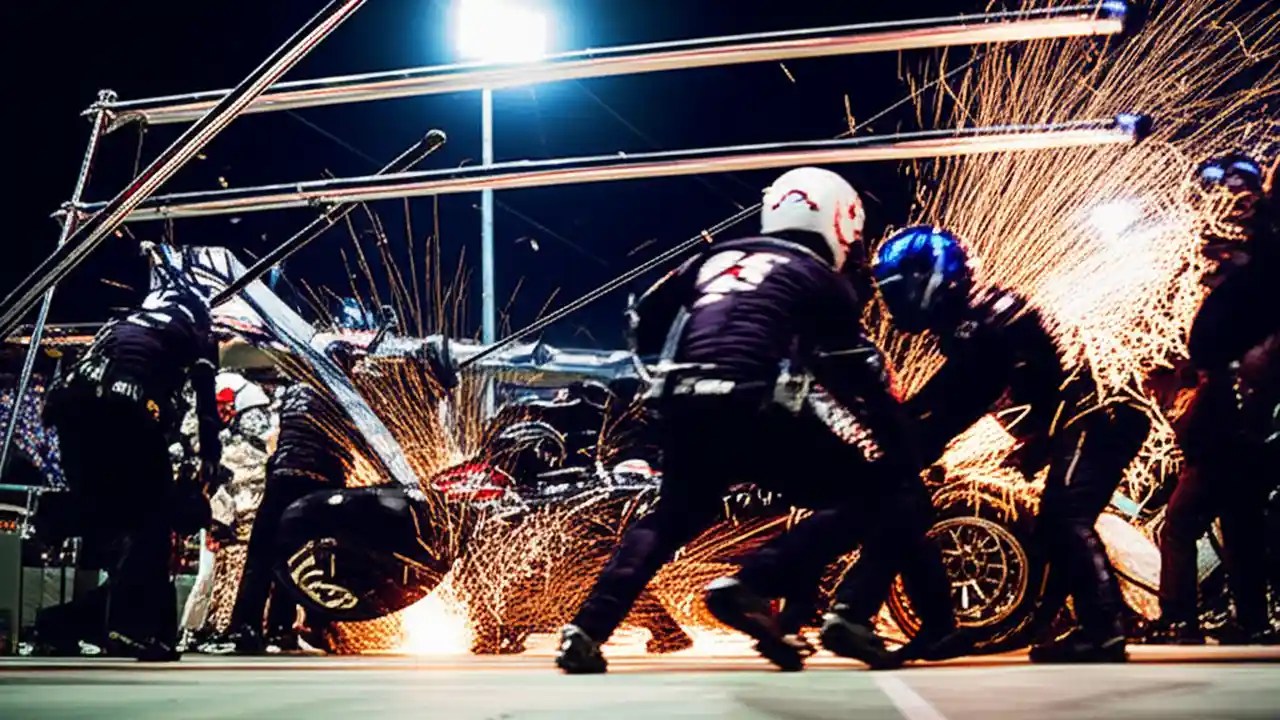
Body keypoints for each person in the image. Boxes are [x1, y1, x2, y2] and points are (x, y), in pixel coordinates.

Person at [555, 167, 955, 674]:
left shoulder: (714, 256)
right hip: (757, 400)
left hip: (683, 401)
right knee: (880, 493)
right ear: (838, 221)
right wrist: (900, 448)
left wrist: (668, 373)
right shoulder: (822, 279)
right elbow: (860, 377)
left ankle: (586, 630)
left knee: (675, 514)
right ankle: (759, 584)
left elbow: (643, 316)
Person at [866, 225, 1150, 663]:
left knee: (1064, 516)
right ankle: (1081, 625)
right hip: (1093, 417)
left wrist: (905, 443)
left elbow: (959, 398)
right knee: (1054, 521)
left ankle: (1104, 631)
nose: (893, 303)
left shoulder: (985, 320)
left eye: (899, 289)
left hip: (1101, 416)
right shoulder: (977, 320)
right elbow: (971, 390)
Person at [42, 272, 223, 661]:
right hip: (126, 407)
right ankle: (131, 627)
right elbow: (206, 401)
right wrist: (211, 456)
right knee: (151, 521)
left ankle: (63, 624)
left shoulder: (123, 321)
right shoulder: (198, 329)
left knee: (114, 525)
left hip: (72, 408)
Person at [1151, 153, 1280, 645]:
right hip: (1238, 403)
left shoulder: (1264, 254)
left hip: (1233, 405)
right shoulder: (1254, 255)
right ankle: (1251, 619)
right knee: (1239, 518)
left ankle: (1179, 619)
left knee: (1183, 519)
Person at [209, 343, 363, 653]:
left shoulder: (297, 389)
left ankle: (246, 627)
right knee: (316, 557)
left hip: (282, 478)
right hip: (320, 486)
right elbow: (360, 439)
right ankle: (314, 628)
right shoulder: (343, 394)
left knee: (264, 554)